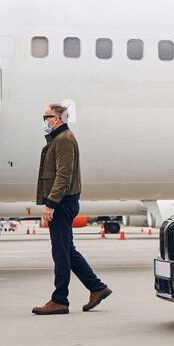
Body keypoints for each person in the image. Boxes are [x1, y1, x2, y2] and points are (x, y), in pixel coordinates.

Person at [32, 103, 112, 315]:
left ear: (56, 118)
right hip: (64, 202)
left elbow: (63, 175)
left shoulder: (64, 140)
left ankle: (60, 300)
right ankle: (97, 288)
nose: (44, 121)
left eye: (46, 117)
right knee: (67, 250)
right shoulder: (59, 139)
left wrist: (51, 204)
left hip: (62, 203)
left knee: (60, 252)